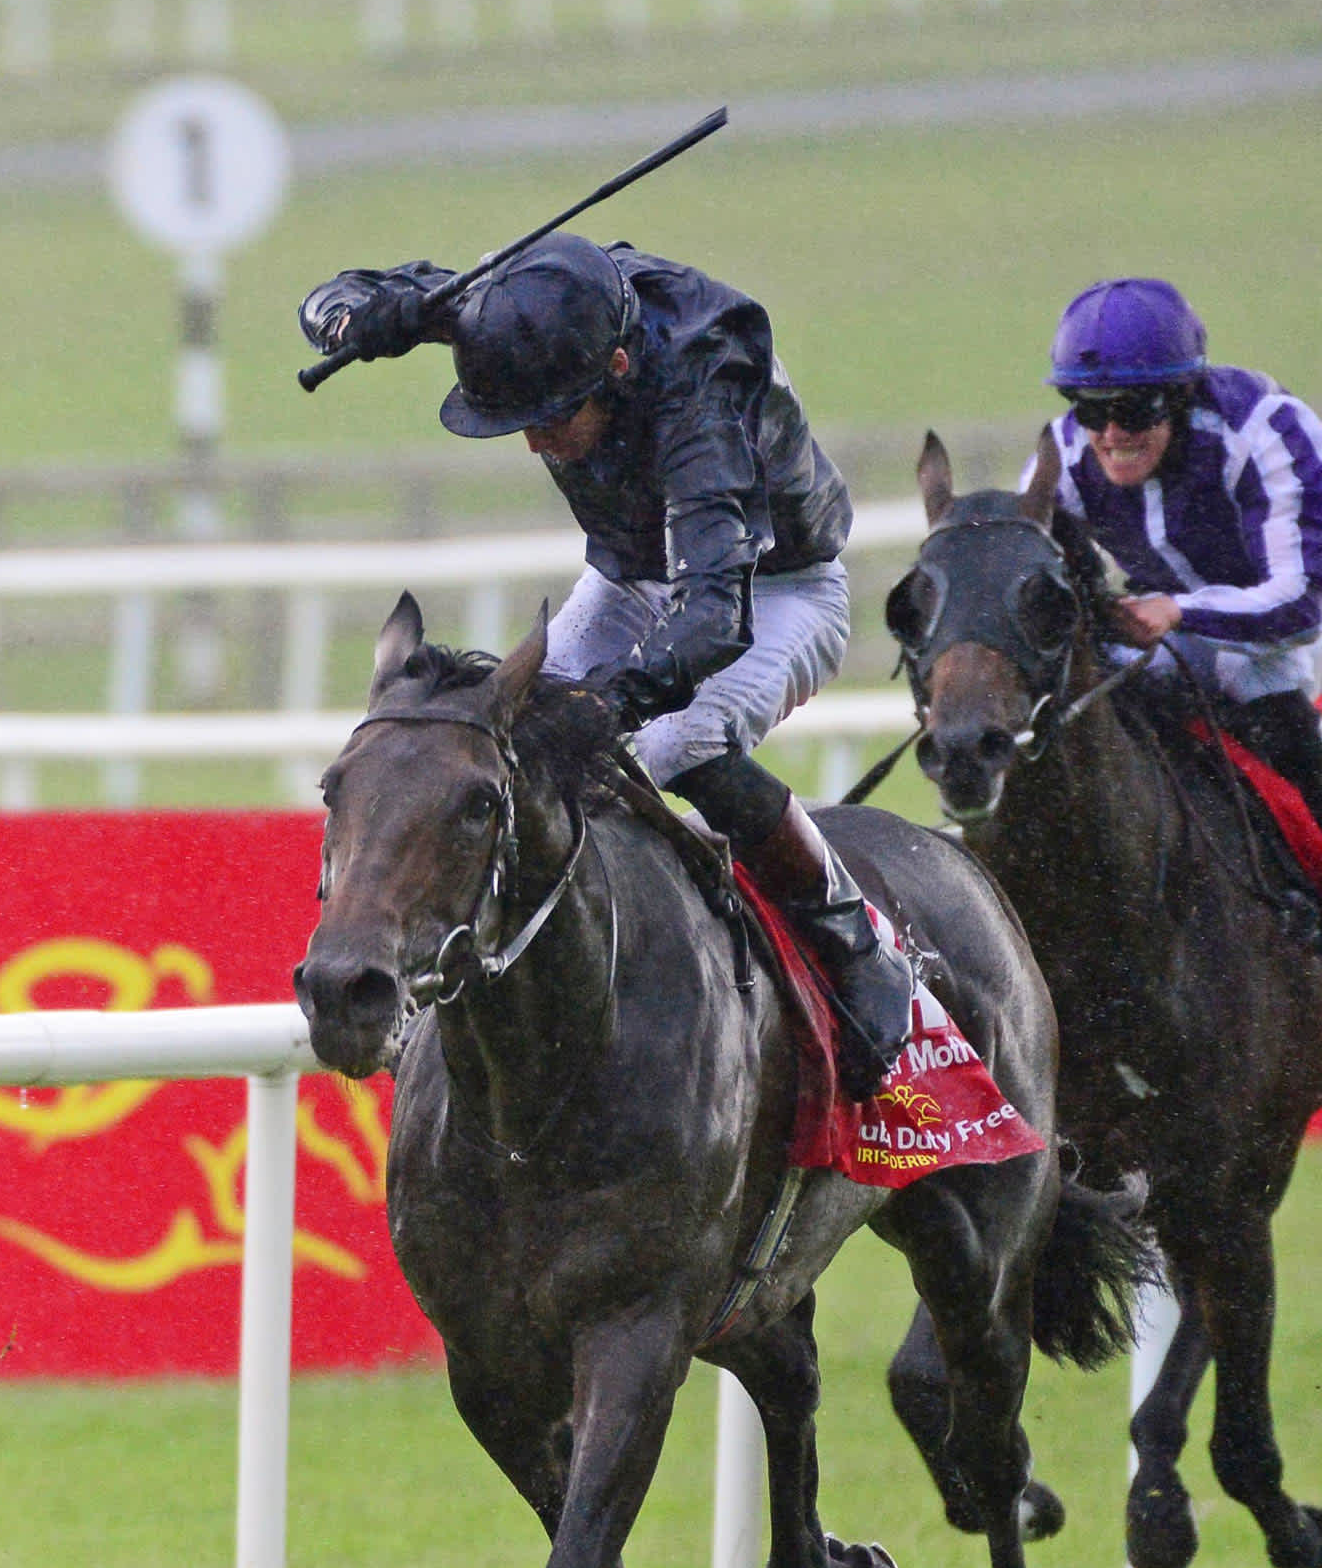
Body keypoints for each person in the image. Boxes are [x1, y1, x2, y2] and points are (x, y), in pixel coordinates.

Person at [301, 235, 911, 1095]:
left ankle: (852, 938)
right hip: (630, 577)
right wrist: (364, 317)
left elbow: (712, 619)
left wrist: (610, 702)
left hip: (771, 590)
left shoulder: (703, 395)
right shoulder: (528, 310)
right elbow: (345, 291)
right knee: (488, 743)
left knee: (674, 744)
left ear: (617, 368)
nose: (534, 444)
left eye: (551, 420)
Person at [1027, 277, 1322, 946]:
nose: (1110, 433)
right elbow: (1029, 565)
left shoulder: (1266, 431)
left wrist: (1178, 612)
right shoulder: (1067, 454)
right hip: (1169, 617)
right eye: (1090, 409)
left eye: (1133, 410)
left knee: (1249, 672)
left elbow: (1299, 602)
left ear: (1180, 396)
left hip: (1304, 616)